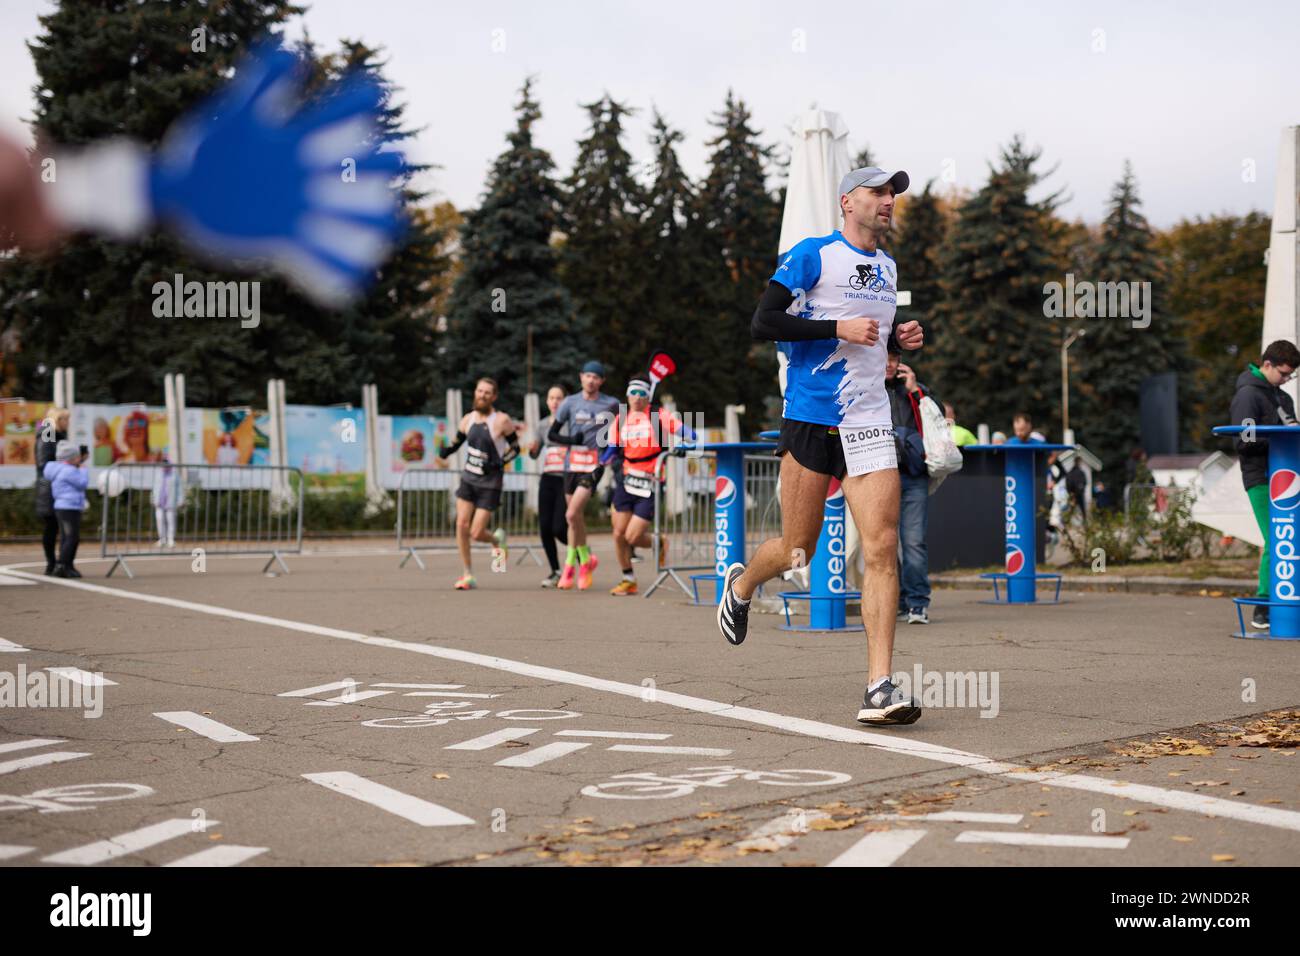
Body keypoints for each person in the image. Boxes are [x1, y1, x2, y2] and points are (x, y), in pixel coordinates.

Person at [715, 165, 927, 725]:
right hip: (810, 417)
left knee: (882, 547)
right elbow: (763, 322)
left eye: (892, 195)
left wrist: (902, 336)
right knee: (796, 550)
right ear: (846, 202)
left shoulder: (887, 265)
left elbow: (875, 335)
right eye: (878, 193)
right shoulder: (814, 253)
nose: (888, 202)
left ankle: (879, 687)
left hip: (869, 421)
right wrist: (836, 329)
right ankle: (740, 586)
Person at [1229, 339, 1300, 629]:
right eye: (1283, 373)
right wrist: (1280, 439)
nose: (1286, 380)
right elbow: (1243, 442)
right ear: (1266, 365)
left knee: (1288, 539)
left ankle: (1283, 600)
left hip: (1287, 476)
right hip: (1261, 477)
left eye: (1290, 375)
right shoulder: (1248, 395)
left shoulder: (1283, 398)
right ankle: (1263, 604)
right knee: (1277, 539)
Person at [604, 374, 693, 595]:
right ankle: (628, 578)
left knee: (632, 537)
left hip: (650, 482)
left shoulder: (657, 416)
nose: (636, 397)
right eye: (632, 392)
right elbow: (612, 448)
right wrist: (600, 462)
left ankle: (658, 542)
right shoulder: (621, 418)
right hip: (626, 480)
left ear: (648, 396)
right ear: (627, 395)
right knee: (618, 534)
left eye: (641, 392)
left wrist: (682, 444)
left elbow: (690, 434)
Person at [439, 377, 519, 590]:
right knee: (461, 525)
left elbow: (516, 449)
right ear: (475, 392)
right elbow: (457, 442)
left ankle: (496, 540)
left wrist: (497, 463)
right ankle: (467, 574)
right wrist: (446, 451)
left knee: (476, 532)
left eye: (487, 393)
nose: (482, 395)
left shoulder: (501, 420)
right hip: (468, 480)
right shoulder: (467, 420)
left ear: (493, 397)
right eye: (479, 391)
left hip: (490, 483)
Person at [547, 362, 620, 591]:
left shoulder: (611, 404)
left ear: (602, 381)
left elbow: (623, 429)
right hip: (571, 465)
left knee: (570, 514)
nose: (591, 381)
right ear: (581, 378)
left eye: (596, 377)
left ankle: (570, 565)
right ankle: (586, 560)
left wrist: (611, 452)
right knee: (575, 518)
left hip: (593, 466)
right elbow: (552, 433)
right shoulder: (569, 402)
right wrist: (572, 440)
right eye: (588, 376)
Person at [886, 345, 937, 624]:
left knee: (913, 541)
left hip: (914, 476)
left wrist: (916, 389)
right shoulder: (867, 389)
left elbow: (937, 418)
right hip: (880, 477)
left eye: (894, 359)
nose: (889, 364)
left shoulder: (916, 391)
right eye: (885, 358)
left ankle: (918, 602)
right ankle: (898, 601)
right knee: (885, 543)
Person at [530, 384, 569, 588]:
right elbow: (535, 452)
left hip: (566, 479)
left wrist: (569, 451)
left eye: (559, 398)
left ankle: (581, 553)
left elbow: (581, 445)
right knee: (545, 527)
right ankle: (555, 571)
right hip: (547, 479)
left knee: (559, 527)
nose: (555, 402)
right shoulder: (543, 424)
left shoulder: (570, 424)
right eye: (551, 398)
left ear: (565, 401)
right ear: (547, 401)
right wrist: (533, 450)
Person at [42, 440, 88, 578]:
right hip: (69, 508)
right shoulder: (68, 471)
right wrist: (83, 470)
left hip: (64, 507)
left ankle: (67, 565)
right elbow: (82, 483)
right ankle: (62, 565)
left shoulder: (59, 469)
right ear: (70, 458)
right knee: (71, 537)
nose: (79, 459)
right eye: (77, 457)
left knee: (67, 537)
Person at [33, 407, 69, 575]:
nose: (67, 423)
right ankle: (51, 563)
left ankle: (59, 563)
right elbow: (44, 463)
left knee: (58, 527)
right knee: (52, 527)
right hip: (49, 488)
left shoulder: (59, 436)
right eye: (65, 419)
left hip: (56, 487)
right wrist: (67, 465)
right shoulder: (48, 434)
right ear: (56, 420)